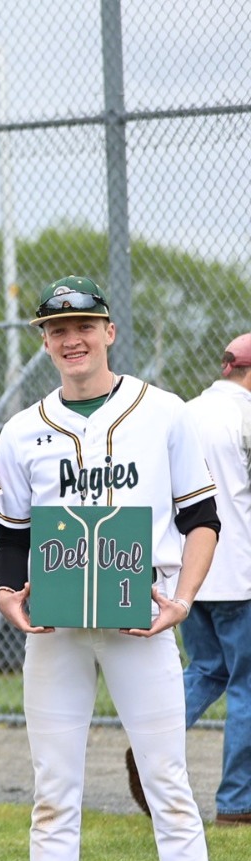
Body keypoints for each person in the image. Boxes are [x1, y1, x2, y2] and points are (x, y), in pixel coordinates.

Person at [0, 276, 240, 861]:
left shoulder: (162, 412)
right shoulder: (22, 429)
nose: (70, 339)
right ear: (43, 341)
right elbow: (14, 538)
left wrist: (184, 600)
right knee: (53, 789)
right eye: (55, 329)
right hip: (58, 628)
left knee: (168, 781)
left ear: (108, 332)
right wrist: (9, 595)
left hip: (139, 621)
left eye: (83, 326)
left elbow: (202, 520)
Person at [178, 332, 251, 826]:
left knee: (207, 669)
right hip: (240, 572)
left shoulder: (185, 412)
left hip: (189, 573)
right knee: (246, 686)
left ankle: (148, 746)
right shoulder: (245, 417)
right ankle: (237, 802)